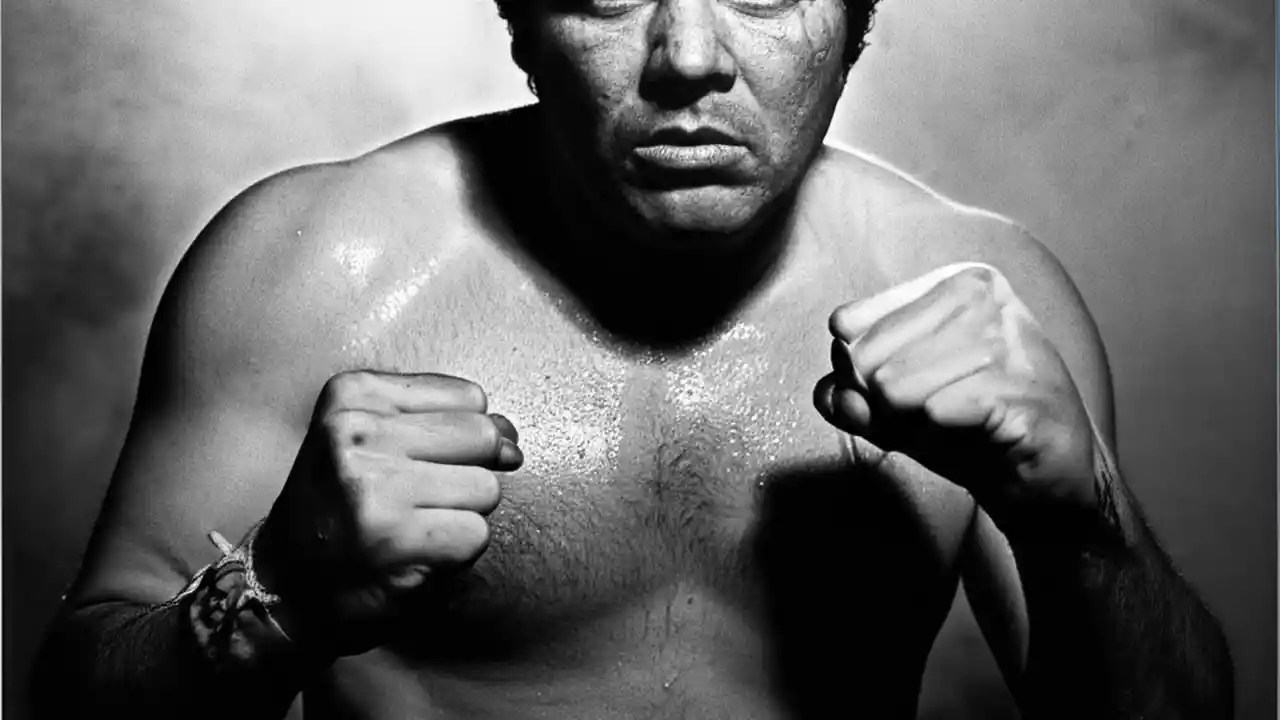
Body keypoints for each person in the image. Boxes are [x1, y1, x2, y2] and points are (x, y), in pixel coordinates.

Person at [34, 1, 1233, 718]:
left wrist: (1083, 527)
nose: (690, 58)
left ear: (858, 19)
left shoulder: (981, 293)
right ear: (516, 15)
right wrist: (278, 595)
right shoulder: (315, 263)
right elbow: (76, 695)